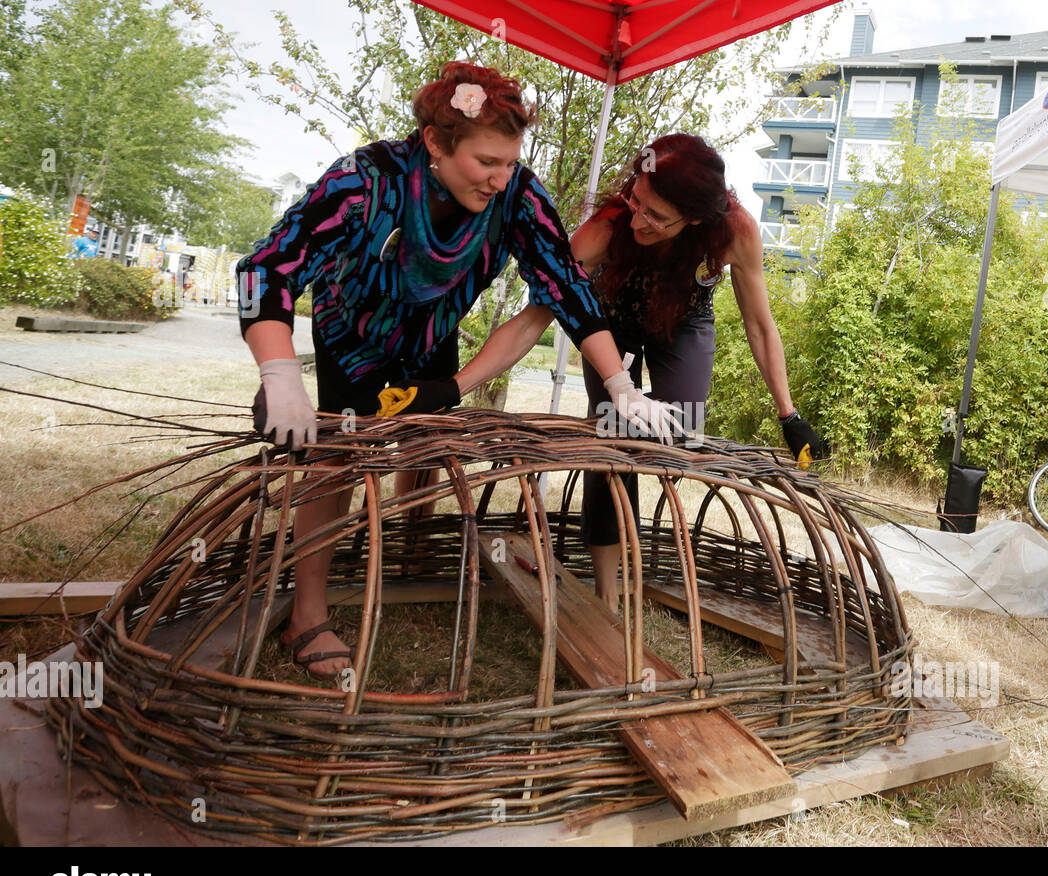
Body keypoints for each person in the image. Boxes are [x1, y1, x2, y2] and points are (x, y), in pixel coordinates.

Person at [238, 62, 680, 678]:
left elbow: (566, 288)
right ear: (436, 144)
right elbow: (266, 269)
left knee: (423, 444)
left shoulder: (519, 197)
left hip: (431, 335)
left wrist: (621, 387)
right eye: (486, 163)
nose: (501, 178)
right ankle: (307, 613)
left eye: (510, 161)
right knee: (337, 459)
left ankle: (406, 557)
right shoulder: (362, 182)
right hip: (353, 335)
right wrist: (279, 375)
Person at [462, 134, 823, 610]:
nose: (637, 219)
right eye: (635, 200)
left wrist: (788, 415)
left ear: (695, 217)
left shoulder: (735, 231)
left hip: (685, 320)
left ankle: (630, 503)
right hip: (612, 319)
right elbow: (536, 316)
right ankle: (608, 591)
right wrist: (458, 384)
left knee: (683, 423)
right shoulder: (608, 227)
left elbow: (759, 325)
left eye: (655, 215)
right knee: (612, 435)